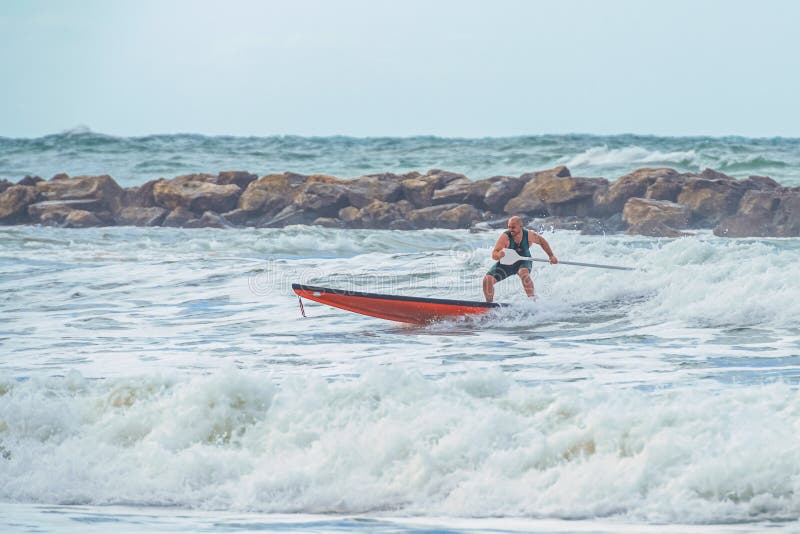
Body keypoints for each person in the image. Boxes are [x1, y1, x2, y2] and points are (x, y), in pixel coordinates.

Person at [483, 216, 557, 302]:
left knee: (523, 272)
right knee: (487, 279)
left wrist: (551, 256)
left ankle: (533, 301)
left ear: (521, 226)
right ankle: (488, 306)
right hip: (507, 262)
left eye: (513, 227)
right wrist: (499, 255)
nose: (511, 230)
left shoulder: (529, 234)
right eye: (509, 227)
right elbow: (494, 254)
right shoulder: (505, 237)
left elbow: (542, 242)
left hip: (524, 260)